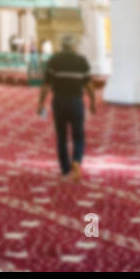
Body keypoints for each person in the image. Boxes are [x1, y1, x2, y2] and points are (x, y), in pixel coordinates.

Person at [37, 34, 96, 180]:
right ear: (74, 46)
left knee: (61, 135)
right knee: (78, 135)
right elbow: (89, 85)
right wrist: (93, 102)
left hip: (59, 101)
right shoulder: (81, 61)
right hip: (76, 101)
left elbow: (46, 85)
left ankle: (65, 168)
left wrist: (41, 103)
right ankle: (76, 161)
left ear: (61, 46)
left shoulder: (54, 61)